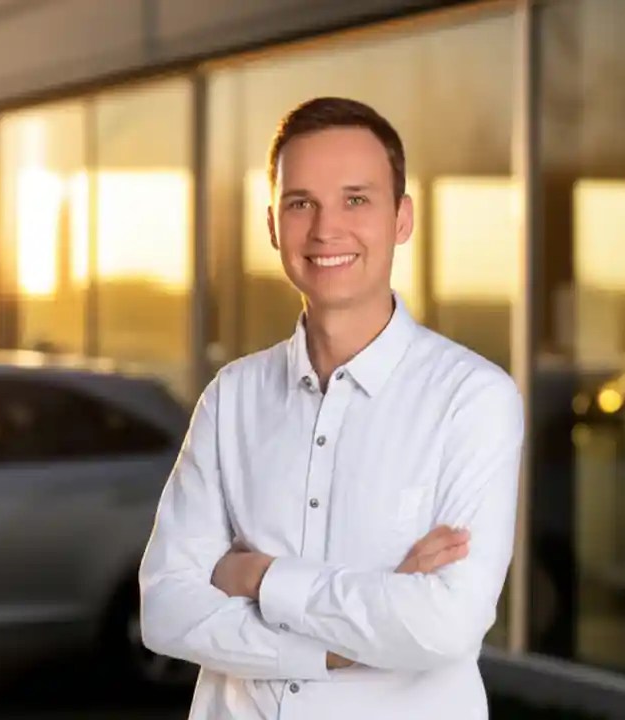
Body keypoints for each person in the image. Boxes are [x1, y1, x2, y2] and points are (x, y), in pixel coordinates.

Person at [138, 97, 525, 719]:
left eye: (356, 199)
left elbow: (447, 625)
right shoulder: (230, 398)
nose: (325, 230)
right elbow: (166, 610)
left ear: (402, 218)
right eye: (301, 203)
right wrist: (344, 643)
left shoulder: (473, 400)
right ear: (272, 225)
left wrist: (259, 578)